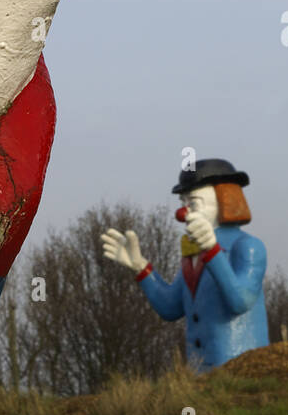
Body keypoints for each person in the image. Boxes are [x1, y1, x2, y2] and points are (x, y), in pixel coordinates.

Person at [101, 158, 268, 370]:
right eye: (183, 203)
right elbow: (171, 308)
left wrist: (212, 250)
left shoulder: (248, 247)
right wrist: (141, 268)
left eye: (194, 203)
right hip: (199, 374)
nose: (183, 213)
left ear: (225, 201)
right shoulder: (192, 254)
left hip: (241, 371)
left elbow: (240, 301)